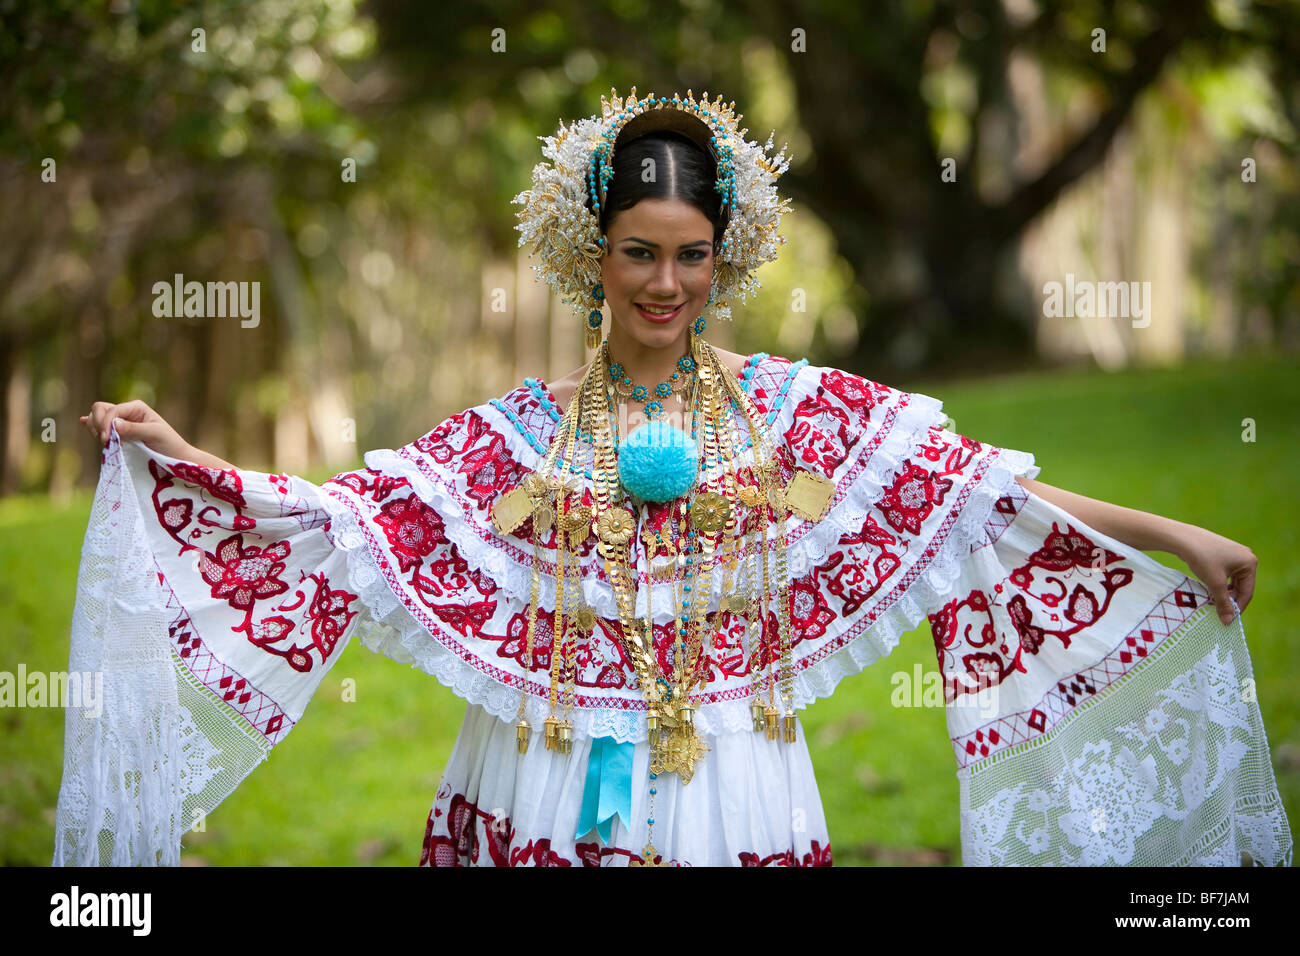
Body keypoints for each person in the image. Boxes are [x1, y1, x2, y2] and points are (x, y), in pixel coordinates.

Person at [57, 88, 1291, 867]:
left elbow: (972, 494)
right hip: (538, 772)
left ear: (723, 257)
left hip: (734, 772)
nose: (663, 283)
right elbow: (339, 524)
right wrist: (189, 460)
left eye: (690, 256)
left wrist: (1174, 531)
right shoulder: (517, 435)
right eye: (638, 254)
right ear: (592, 258)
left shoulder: (794, 412)